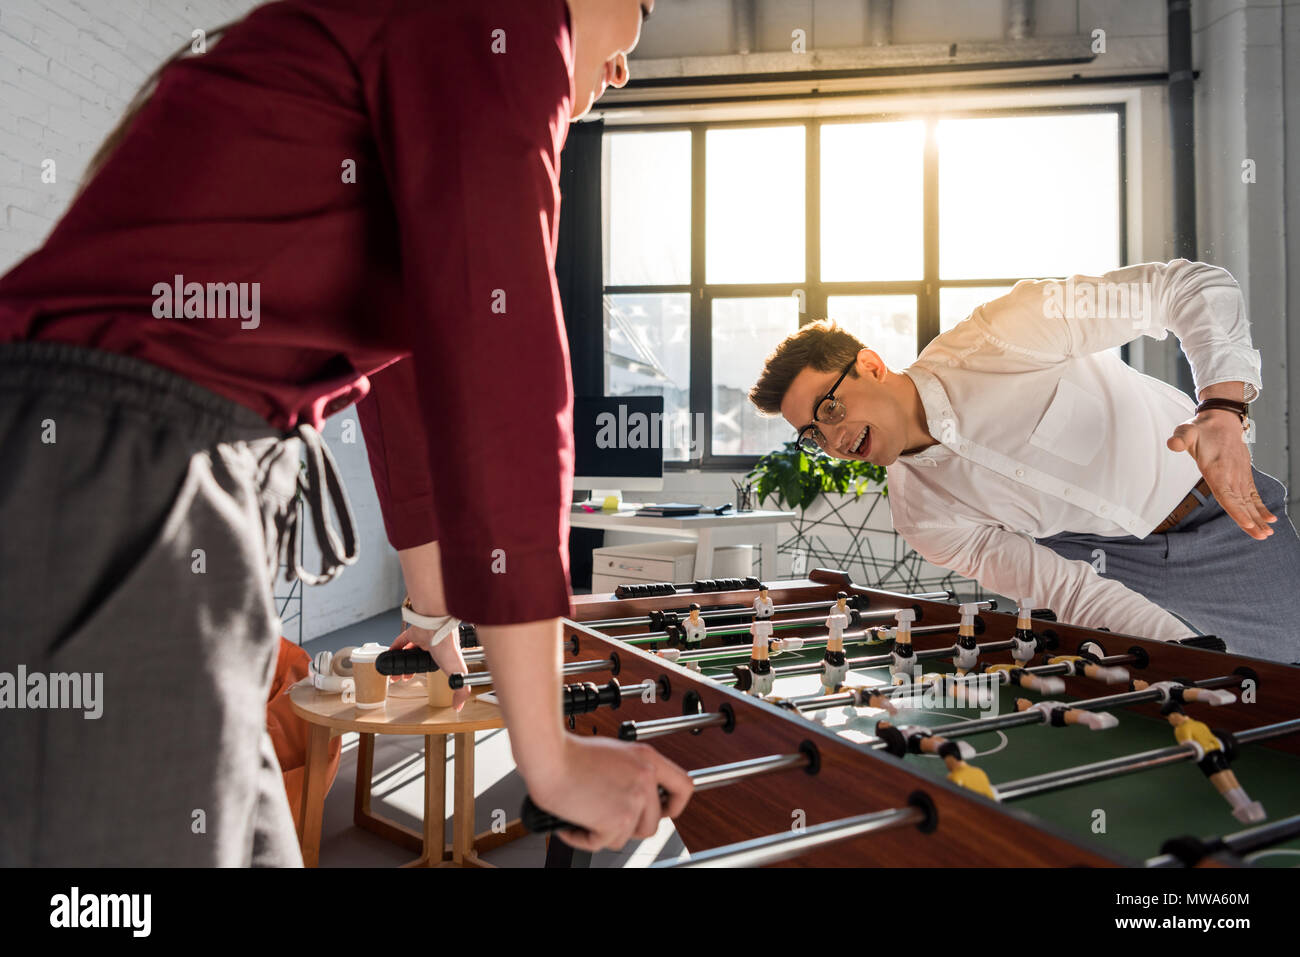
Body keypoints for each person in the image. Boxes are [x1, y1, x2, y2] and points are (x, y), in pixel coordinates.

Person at [0, 0, 691, 866]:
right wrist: (545, 749)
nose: (624, 64)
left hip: (153, 464)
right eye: (645, 8)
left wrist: (431, 620)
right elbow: (500, 358)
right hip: (115, 463)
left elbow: (417, 382)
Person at [748, 261, 1300, 664]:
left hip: (1227, 510)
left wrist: (1223, 410)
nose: (834, 438)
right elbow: (1068, 590)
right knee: (1239, 698)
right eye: (813, 435)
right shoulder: (922, 517)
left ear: (869, 365)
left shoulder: (1004, 332)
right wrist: (1182, 657)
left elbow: (1192, 287)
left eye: (830, 408)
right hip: (1107, 562)